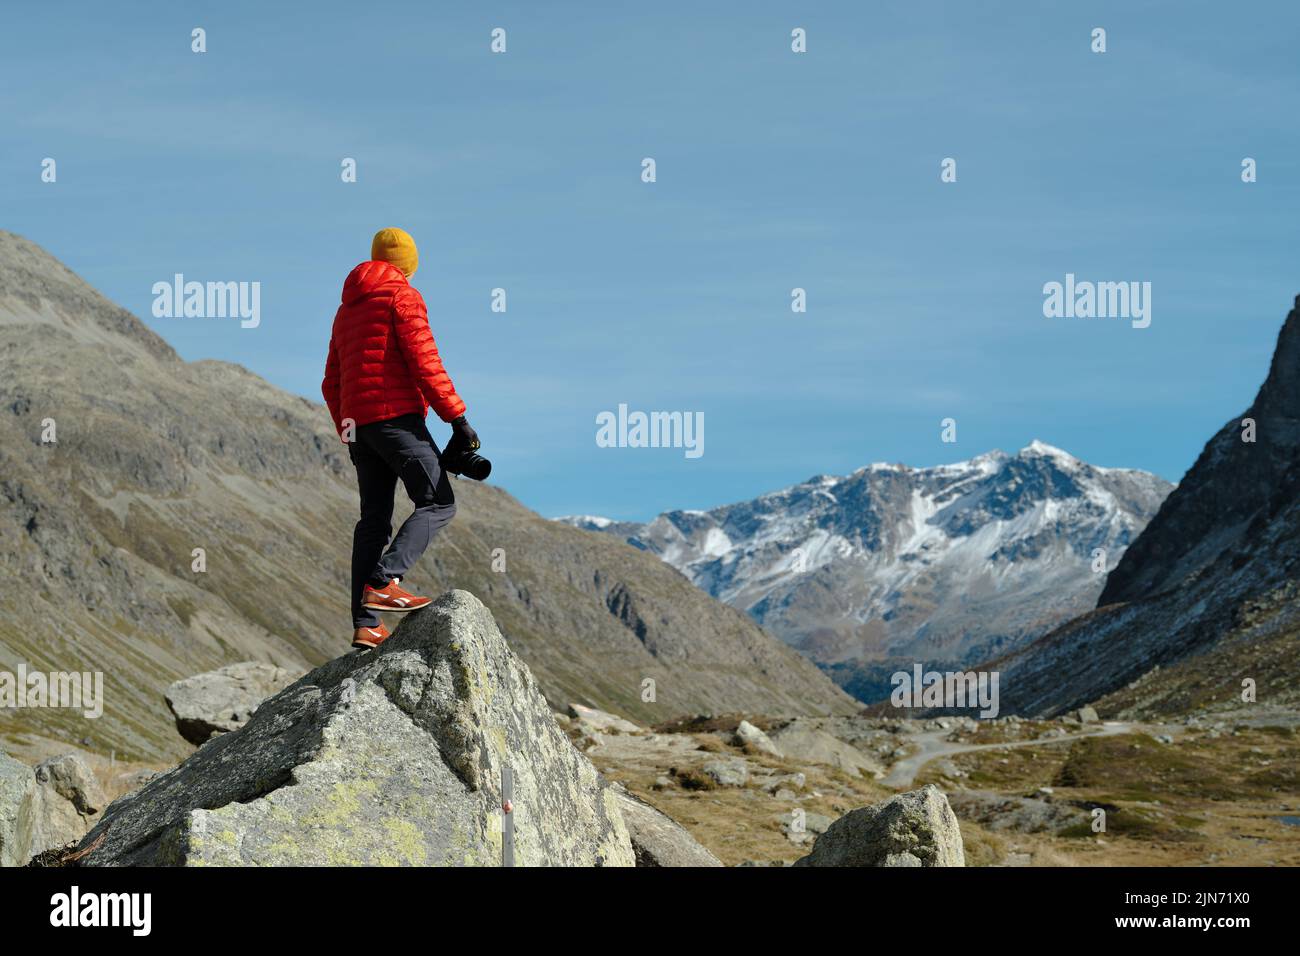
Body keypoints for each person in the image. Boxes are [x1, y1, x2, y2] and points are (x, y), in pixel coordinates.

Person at [321, 227, 480, 649]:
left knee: (373, 521)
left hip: (361, 429)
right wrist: (458, 418)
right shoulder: (402, 297)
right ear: (409, 263)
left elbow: (330, 380)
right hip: (396, 420)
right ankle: (385, 580)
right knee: (438, 502)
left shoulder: (346, 310)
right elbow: (424, 361)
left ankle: (366, 624)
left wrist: (348, 427)